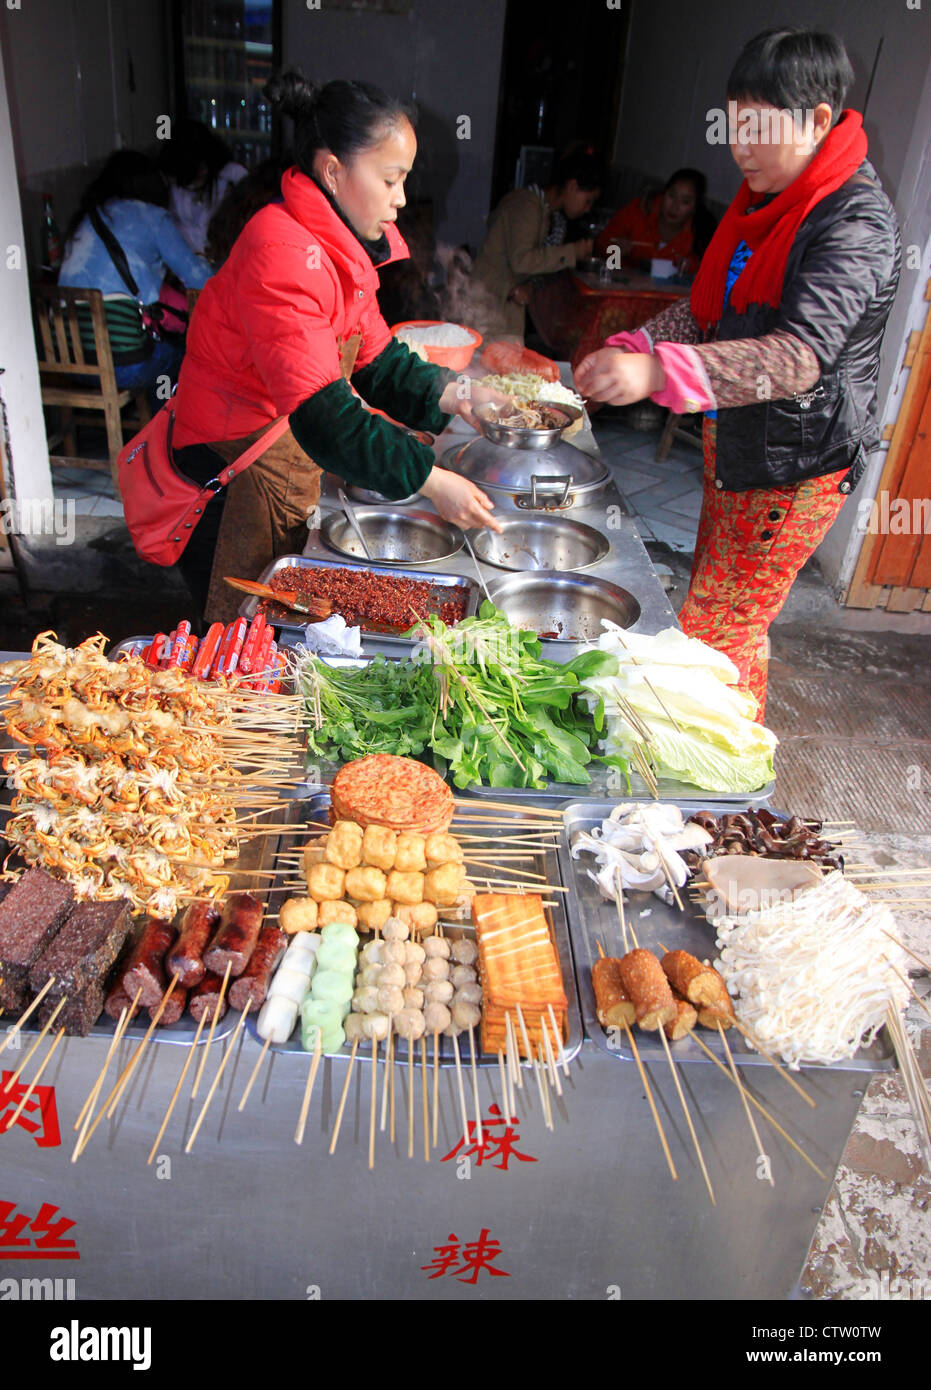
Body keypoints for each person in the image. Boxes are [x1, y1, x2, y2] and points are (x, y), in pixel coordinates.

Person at [575, 27, 900, 719]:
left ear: (817, 120)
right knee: (727, 618)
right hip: (743, 448)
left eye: (758, 128)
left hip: (796, 465)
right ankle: (736, 766)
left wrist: (657, 372)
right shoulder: (762, 205)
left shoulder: (854, 221)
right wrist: (636, 343)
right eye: (734, 125)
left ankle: (714, 792)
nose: (739, 147)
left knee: (710, 635)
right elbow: (709, 315)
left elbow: (795, 357)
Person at [170, 72, 506, 623]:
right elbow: (325, 414)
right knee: (235, 636)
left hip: (278, 456)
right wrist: (430, 479)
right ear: (333, 170)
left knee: (275, 621)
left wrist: (461, 393)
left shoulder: (341, 251)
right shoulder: (282, 251)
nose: (401, 200)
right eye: (392, 179)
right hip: (232, 470)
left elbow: (378, 359)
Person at [59, 150, 212, 407]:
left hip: (71, 362)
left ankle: (149, 429)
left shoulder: (88, 217)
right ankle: (162, 433)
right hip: (125, 365)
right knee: (187, 355)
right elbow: (201, 280)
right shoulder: (152, 217)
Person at [471, 147, 601, 340]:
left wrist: (530, 287)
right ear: (572, 186)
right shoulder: (526, 205)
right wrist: (573, 252)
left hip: (506, 305)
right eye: (587, 201)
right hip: (487, 302)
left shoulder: (553, 218)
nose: (587, 209)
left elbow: (538, 268)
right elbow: (522, 261)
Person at [595, 167, 716, 275]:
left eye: (685, 202)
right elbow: (599, 245)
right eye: (671, 196)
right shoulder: (639, 211)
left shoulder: (700, 234)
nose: (674, 207)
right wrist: (615, 251)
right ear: (664, 193)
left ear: (695, 207)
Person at [159, 121, 248, 256]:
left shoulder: (233, 176)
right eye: (195, 168)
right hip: (183, 265)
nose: (203, 172)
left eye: (205, 164)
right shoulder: (170, 183)